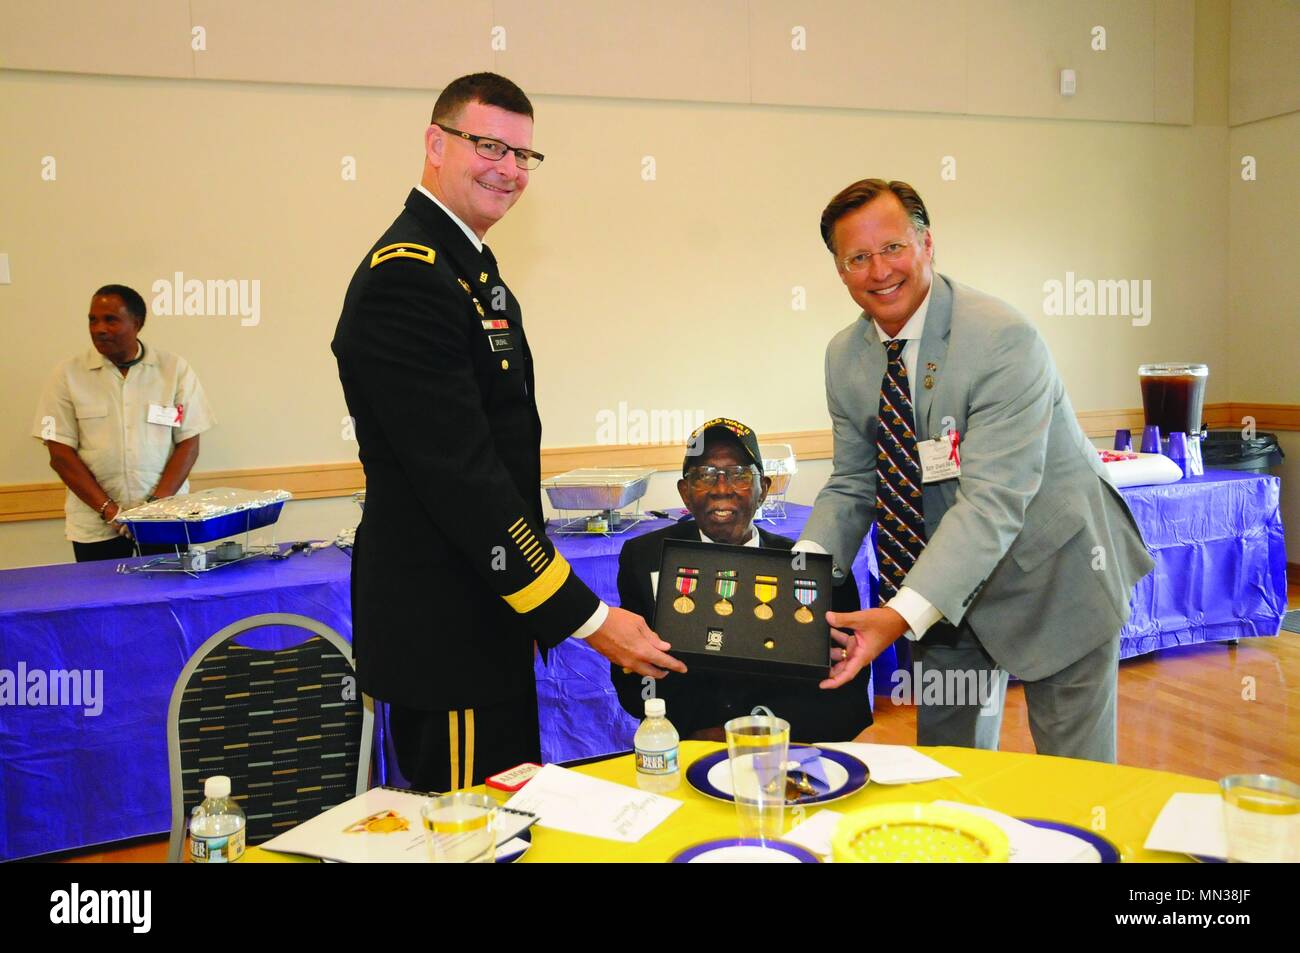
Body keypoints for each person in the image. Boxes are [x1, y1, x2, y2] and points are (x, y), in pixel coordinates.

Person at [331, 72, 684, 792]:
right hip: (447, 629)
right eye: (489, 145)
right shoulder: (412, 277)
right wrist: (587, 619)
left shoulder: (468, 269)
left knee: (507, 822)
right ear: (435, 144)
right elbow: (465, 482)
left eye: (524, 155)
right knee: (464, 831)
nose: (510, 169)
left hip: (487, 614)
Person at [801, 179, 1153, 763]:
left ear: (927, 244)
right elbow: (853, 483)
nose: (879, 270)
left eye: (892, 247)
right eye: (857, 257)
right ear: (840, 271)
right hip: (940, 587)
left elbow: (992, 502)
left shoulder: (1000, 339)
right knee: (949, 772)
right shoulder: (846, 356)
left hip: (1053, 573)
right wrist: (800, 581)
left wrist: (897, 616)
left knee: (1078, 784)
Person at [611, 417, 871, 742]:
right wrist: (696, 729)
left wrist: (754, 728)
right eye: (705, 475)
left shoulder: (816, 568)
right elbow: (633, 683)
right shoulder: (645, 557)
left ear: (764, 489)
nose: (722, 488)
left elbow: (847, 692)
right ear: (685, 493)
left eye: (739, 475)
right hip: (687, 746)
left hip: (787, 747)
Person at [32, 284, 214, 562]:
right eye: (93, 320)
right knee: (103, 603)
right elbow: (59, 454)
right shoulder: (67, 375)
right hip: (95, 526)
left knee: (166, 600)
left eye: (110, 320)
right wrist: (110, 511)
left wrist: (153, 510)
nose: (99, 328)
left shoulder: (174, 370)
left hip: (165, 519)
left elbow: (189, 443)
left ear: (137, 323)